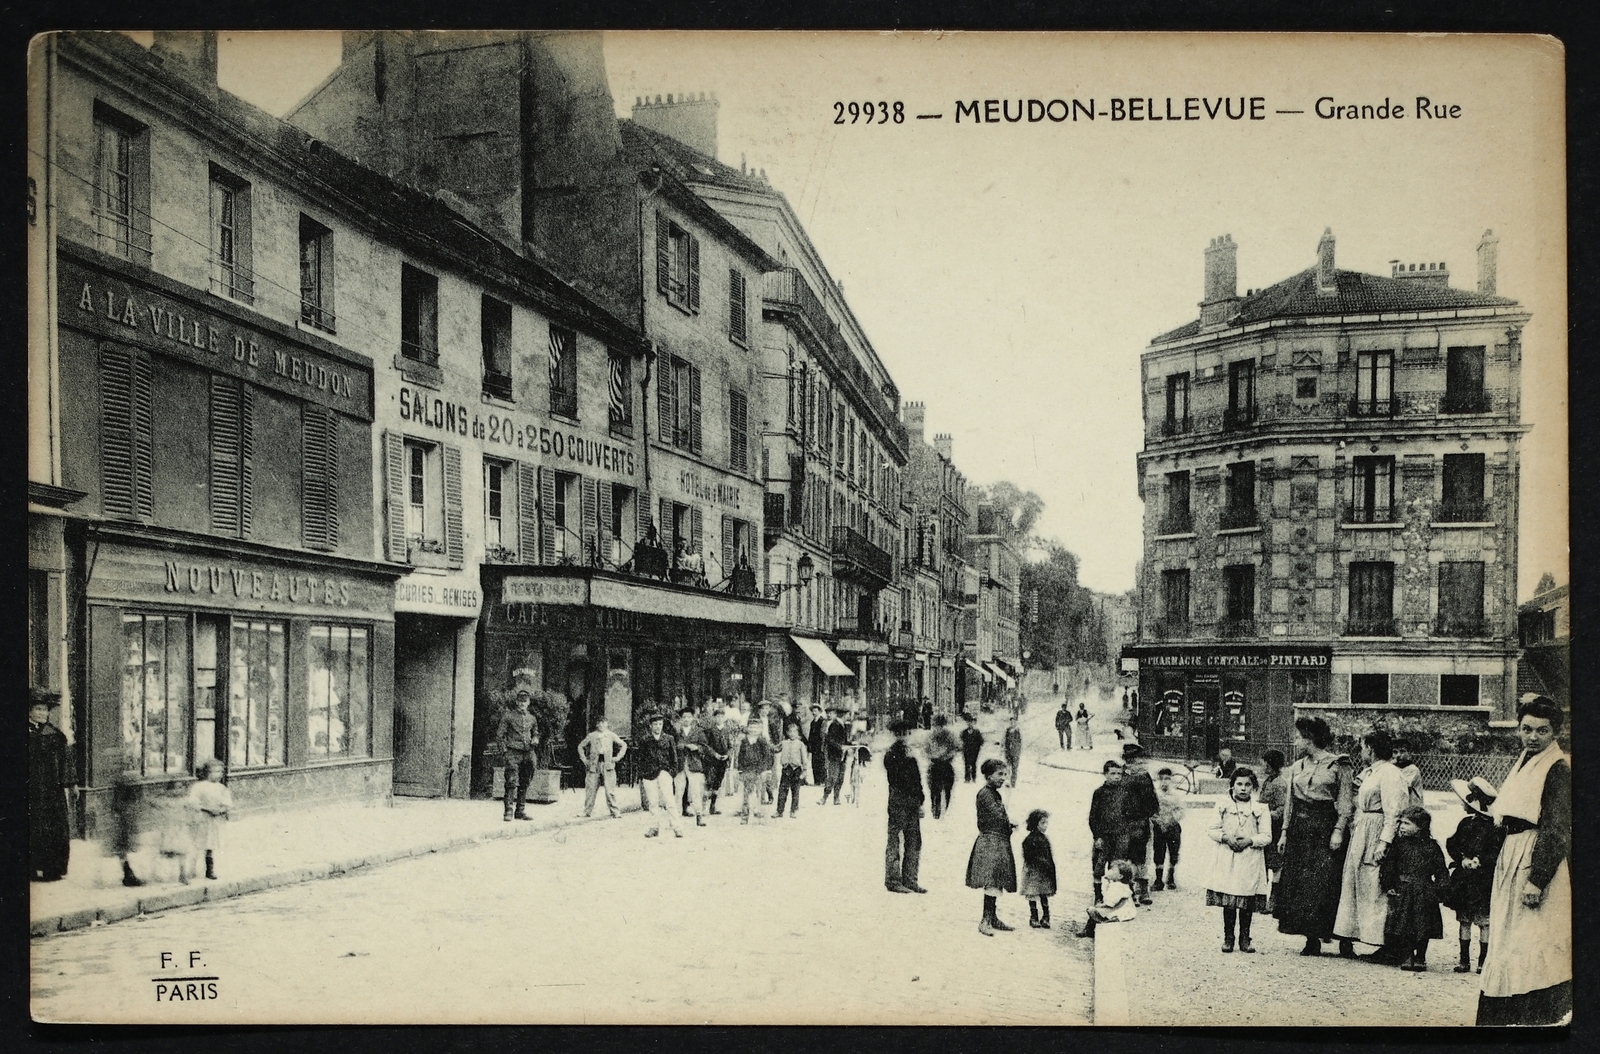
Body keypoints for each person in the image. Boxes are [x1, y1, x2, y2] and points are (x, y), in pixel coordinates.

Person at [1476, 695, 1571, 1027]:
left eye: (1542, 731)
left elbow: (1557, 827)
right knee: (1508, 936)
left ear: (1555, 732)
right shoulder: (1524, 761)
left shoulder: (1557, 767)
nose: (1533, 737)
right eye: (1526, 729)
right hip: (1512, 854)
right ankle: (1503, 1013)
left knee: (1532, 938)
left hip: (1533, 859)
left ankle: (1532, 1016)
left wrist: (1538, 878)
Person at [1275, 715, 1356, 956]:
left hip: (1326, 829)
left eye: (1299, 737)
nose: (1296, 741)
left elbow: (1345, 801)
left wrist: (1339, 830)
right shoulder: (1298, 766)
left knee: (1328, 882)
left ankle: (1343, 939)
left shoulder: (1339, 765)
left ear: (1310, 739)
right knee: (1303, 884)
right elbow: (1291, 802)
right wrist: (1284, 833)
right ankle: (1311, 939)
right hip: (1301, 830)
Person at [1334, 730, 1411, 963]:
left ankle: (1383, 942)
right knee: (1355, 882)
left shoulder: (1389, 773)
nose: (1361, 751)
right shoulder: (1369, 772)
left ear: (1372, 749)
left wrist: (1384, 842)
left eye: (1363, 747)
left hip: (1377, 829)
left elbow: (1394, 811)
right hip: (1363, 830)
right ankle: (1349, 935)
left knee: (1375, 885)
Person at [1206, 768, 1273, 953]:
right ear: (1232, 785)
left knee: (1246, 899)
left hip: (1250, 859)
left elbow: (1267, 836)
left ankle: (1245, 937)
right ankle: (1229, 937)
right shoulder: (1223, 805)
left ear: (1253, 787)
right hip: (1228, 857)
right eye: (1239, 784)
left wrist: (1250, 840)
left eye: (1248, 785)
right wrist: (1226, 838)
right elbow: (1212, 829)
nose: (1243, 788)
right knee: (1229, 899)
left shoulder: (1260, 808)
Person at [1380, 804, 1448, 971]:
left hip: (1424, 891)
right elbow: (1389, 865)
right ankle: (1407, 955)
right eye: (1401, 823)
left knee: (1422, 925)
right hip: (1403, 889)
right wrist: (1389, 884)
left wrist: (1440, 890)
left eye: (1407, 823)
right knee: (1404, 926)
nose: (1402, 827)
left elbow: (1441, 870)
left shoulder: (1431, 847)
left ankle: (1421, 956)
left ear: (1420, 827)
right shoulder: (1399, 844)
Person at [1444, 778, 1502, 974]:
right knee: (1465, 919)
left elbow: (1497, 851)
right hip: (1465, 880)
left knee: (1484, 920)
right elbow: (1452, 843)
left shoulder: (1496, 828)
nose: (1463, 805)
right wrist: (1461, 859)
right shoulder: (1465, 824)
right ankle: (1464, 960)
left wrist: (1481, 861)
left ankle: (1482, 962)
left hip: (1483, 880)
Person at [967, 759, 1018, 935]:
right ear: (988, 776)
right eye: (999, 774)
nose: (1003, 778)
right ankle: (985, 920)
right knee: (991, 880)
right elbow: (996, 816)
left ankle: (993, 917)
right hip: (990, 842)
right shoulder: (985, 794)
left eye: (1005, 774)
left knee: (996, 879)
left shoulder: (994, 793)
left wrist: (1008, 824)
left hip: (998, 840)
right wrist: (1007, 822)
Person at [28, 692, 72, 882]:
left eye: (44, 710)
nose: (41, 713)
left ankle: (51, 869)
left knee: (53, 828)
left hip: (51, 790)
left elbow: (65, 762)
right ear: (29, 712)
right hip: (29, 789)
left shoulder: (54, 735)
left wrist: (71, 783)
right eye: (37, 709)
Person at [883, 719, 926, 894]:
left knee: (914, 842)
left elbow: (917, 781)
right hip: (899, 802)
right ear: (895, 735)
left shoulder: (910, 754)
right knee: (894, 841)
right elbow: (899, 780)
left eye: (906, 733)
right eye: (900, 733)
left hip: (912, 803)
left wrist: (920, 801)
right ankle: (893, 881)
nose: (903, 736)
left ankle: (910, 880)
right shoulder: (892, 755)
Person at [1120, 743, 1160, 904]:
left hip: (1141, 823)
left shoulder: (1144, 777)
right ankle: (1129, 889)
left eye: (1138, 761)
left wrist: (1149, 815)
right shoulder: (1121, 776)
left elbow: (1152, 799)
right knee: (1126, 856)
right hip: (1124, 824)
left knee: (1141, 857)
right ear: (1128, 761)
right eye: (1133, 761)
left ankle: (1143, 889)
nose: (1137, 764)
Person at [634, 712, 684, 839]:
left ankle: (677, 827)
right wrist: (643, 773)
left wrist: (671, 772)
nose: (658, 727)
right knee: (653, 802)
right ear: (650, 726)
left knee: (670, 800)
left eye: (660, 724)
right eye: (655, 724)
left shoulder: (669, 739)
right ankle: (654, 827)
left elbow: (674, 757)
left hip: (664, 772)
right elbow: (640, 758)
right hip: (649, 774)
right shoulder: (645, 740)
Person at [494, 689, 539, 822]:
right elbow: (499, 736)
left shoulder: (532, 718)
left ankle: (520, 811)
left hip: (528, 753)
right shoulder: (508, 716)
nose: (522, 704)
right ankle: (508, 811)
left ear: (528, 703)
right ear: (516, 702)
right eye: (520, 701)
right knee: (511, 781)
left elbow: (536, 732)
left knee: (525, 782)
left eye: (524, 701)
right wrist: (504, 752)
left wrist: (536, 738)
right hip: (513, 752)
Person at [186, 759, 231, 881]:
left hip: (215, 820)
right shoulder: (199, 787)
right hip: (201, 818)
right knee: (197, 843)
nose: (218, 774)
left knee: (210, 844)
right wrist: (206, 808)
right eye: (215, 771)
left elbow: (227, 803)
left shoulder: (221, 788)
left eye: (220, 771)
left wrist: (221, 810)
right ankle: (191, 869)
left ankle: (209, 869)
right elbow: (192, 802)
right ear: (207, 772)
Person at [1088, 759, 1125, 904]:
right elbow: (1093, 817)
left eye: (1119, 774)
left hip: (1119, 835)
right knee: (1098, 867)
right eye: (1113, 773)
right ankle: (1098, 896)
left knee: (1116, 867)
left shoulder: (1124, 793)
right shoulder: (1099, 793)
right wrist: (1097, 836)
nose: (1116, 777)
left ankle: (1112, 897)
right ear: (1105, 774)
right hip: (1103, 836)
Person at [578, 716, 627, 819]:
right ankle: (586, 811)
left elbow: (623, 745)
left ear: (607, 724)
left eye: (603, 723)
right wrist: (584, 759)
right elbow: (580, 746)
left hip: (607, 765)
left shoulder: (611, 735)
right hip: (594, 766)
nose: (601, 725)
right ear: (597, 725)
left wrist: (617, 757)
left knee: (610, 790)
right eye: (599, 723)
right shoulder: (592, 736)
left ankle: (615, 811)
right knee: (590, 789)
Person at [1076, 859, 1138, 939]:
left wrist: (1101, 906)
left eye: (1112, 870)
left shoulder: (1117, 886)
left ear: (1120, 876)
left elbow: (1110, 902)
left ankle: (1089, 930)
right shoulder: (1119, 884)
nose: (1109, 871)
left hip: (1119, 911)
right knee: (1097, 910)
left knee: (1093, 910)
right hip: (1125, 911)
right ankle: (1090, 929)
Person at [1259, 749, 1288, 911]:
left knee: (1276, 864)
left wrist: (1266, 814)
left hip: (1275, 828)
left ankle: (1274, 902)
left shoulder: (1279, 783)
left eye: (1264, 762)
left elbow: (1282, 808)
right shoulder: (1268, 781)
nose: (1261, 765)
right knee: (1263, 862)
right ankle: (1263, 900)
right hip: (1266, 826)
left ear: (1270, 764)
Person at [1021, 809, 1057, 929]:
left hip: (1044, 872)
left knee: (1044, 894)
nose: (1045, 825)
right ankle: (1034, 917)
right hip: (1033, 871)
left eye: (1046, 823)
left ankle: (1046, 917)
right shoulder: (1029, 840)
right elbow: (1028, 856)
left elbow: (1049, 856)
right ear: (1035, 823)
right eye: (1043, 823)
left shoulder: (1045, 839)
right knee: (1032, 893)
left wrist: (1050, 868)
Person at [1151, 766, 1186, 891]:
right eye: (1161, 779)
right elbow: (1151, 810)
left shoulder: (1176, 794)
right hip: (1159, 827)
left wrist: (1171, 820)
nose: (1164, 782)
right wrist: (1159, 821)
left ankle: (1170, 878)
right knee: (1158, 852)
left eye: (1167, 779)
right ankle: (1158, 880)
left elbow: (1181, 810)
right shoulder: (1154, 794)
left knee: (1173, 852)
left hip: (1173, 827)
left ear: (1171, 780)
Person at [736, 717, 776, 823]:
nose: (753, 730)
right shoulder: (744, 741)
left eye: (756, 728)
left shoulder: (762, 741)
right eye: (751, 727)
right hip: (747, 770)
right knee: (746, 793)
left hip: (759, 770)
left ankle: (758, 812)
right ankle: (744, 816)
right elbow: (740, 756)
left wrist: (765, 770)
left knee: (759, 792)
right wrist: (740, 769)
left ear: (760, 729)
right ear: (747, 728)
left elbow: (767, 756)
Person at [678, 710, 713, 827]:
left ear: (693, 718)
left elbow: (705, 747)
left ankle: (699, 815)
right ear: (681, 719)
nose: (686, 719)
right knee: (678, 790)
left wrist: (697, 748)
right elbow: (673, 745)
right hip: (680, 764)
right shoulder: (677, 732)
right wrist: (683, 746)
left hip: (694, 763)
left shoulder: (698, 732)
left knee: (695, 791)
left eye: (689, 717)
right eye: (684, 717)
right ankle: (676, 818)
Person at [924, 715, 959, 818]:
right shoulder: (931, 737)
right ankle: (935, 810)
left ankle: (945, 810)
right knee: (934, 790)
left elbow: (955, 749)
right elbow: (926, 751)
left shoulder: (949, 736)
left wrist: (946, 756)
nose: (938, 728)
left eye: (940, 726)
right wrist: (933, 756)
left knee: (947, 789)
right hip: (934, 765)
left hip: (946, 765)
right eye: (936, 726)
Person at [776, 722, 807, 817]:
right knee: (782, 791)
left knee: (795, 791)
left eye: (794, 731)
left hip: (796, 770)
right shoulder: (784, 743)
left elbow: (804, 758)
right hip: (786, 769)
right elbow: (776, 749)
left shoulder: (800, 744)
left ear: (798, 733)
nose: (792, 733)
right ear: (787, 733)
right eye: (790, 731)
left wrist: (804, 770)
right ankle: (779, 811)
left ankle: (793, 810)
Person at [822, 708, 849, 805]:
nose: (848, 717)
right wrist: (840, 747)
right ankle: (824, 798)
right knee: (833, 777)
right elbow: (830, 740)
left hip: (842, 755)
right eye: (847, 715)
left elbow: (843, 740)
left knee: (840, 777)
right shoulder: (834, 725)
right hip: (834, 755)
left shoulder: (842, 725)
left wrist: (849, 744)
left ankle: (836, 798)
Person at [1394, 748, 1426, 812]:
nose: (1398, 755)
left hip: (1412, 807)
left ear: (1409, 753)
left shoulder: (1412, 769)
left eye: (1402, 752)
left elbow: (1403, 786)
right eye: (1395, 752)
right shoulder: (1393, 767)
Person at [806, 705, 829, 788]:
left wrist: (822, 746)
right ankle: (817, 780)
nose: (814, 712)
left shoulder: (822, 721)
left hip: (820, 745)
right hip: (814, 745)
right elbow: (811, 734)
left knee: (821, 762)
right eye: (813, 711)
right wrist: (809, 745)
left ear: (819, 711)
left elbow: (823, 735)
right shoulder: (812, 722)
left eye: (815, 711)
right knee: (814, 762)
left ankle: (823, 781)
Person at [959, 713, 984, 783]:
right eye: (968, 722)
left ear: (973, 723)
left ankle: (974, 777)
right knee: (966, 763)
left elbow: (981, 741)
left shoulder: (977, 732)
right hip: (966, 750)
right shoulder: (964, 732)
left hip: (974, 751)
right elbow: (961, 741)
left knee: (973, 763)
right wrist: (963, 748)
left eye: (971, 722)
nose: (969, 724)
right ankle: (967, 778)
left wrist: (977, 748)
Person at [1003, 712, 1024, 788]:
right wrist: (1005, 750)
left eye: (1013, 721)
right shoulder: (1008, 730)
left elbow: (1019, 742)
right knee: (1007, 768)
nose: (1012, 723)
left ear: (1015, 722)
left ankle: (1013, 782)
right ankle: (1008, 781)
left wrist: (1017, 751)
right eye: (1011, 721)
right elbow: (1005, 741)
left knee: (1014, 769)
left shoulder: (1017, 731)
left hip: (1015, 752)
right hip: (1008, 752)